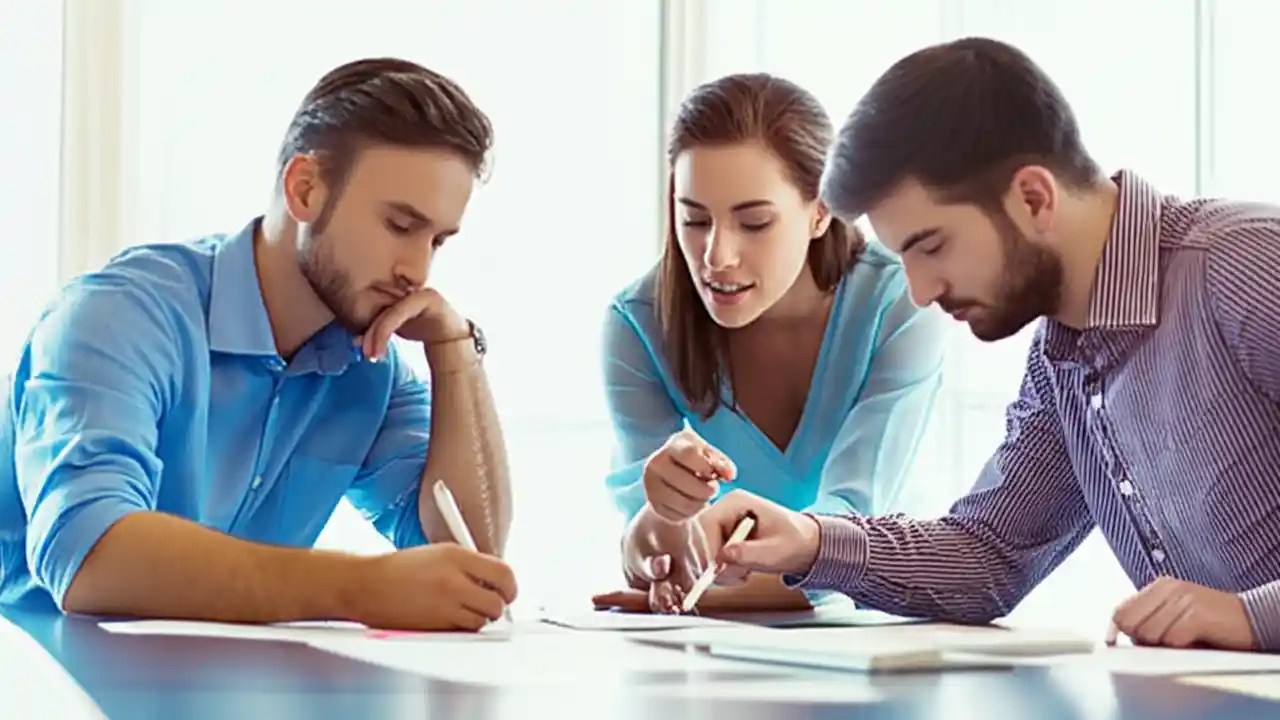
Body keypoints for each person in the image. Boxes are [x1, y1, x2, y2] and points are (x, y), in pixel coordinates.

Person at [693, 37, 1280, 652]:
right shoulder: (1065, 357)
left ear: (1033, 198)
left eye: (932, 246)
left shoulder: (1244, 271)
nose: (919, 292)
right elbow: (990, 556)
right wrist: (811, 541)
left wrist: (1251, 617)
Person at [0, 58, 517, 631]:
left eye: (438, 241)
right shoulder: (118, 316)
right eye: (399, 226)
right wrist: (357, 587)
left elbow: (470, 560)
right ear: (305, 190)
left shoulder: (371, 366)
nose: (417, 271)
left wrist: (455, 351)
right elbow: (89, 556)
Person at [595, 73, 946, 613]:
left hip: (880, 635)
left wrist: (703, 594)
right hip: (710, 650)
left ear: (821, 211)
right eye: (693, 219)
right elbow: (646, 547)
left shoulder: (899, 304)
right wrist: (659, 524)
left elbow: (851, 533)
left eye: (754, 223)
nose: (716, 257)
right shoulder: (638, 325)